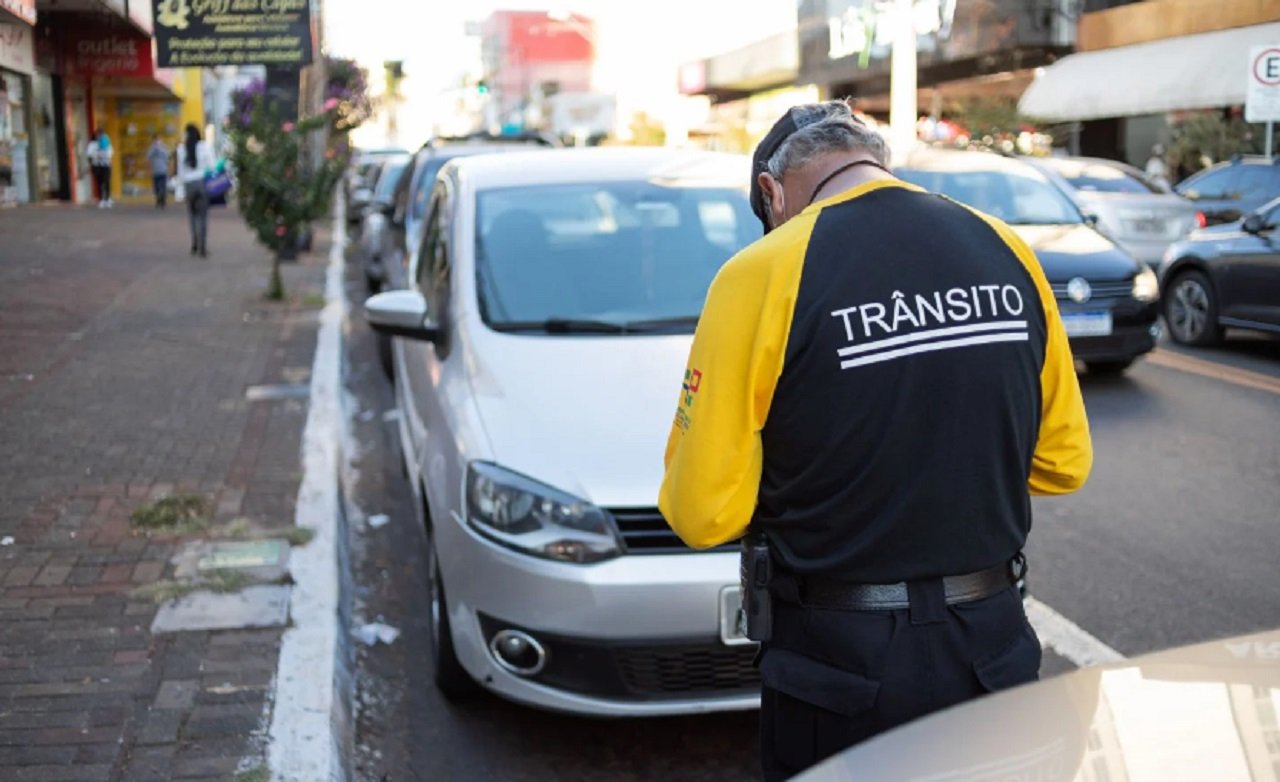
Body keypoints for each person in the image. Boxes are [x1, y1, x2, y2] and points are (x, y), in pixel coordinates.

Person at [658, 101, 1092, 781]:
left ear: (772, 193)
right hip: (993, 647)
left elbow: (701, 511)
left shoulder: (761, 272)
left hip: (841, 670)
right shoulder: (1004, 246)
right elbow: (1064, 463)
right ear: (875, 162)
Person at [176, 124, 215, 257]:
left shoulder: (181, 149)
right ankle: (203, 247)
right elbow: (212, 165)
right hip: (202, 183)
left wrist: (179, 189)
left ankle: (194, 243)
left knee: (192, 216)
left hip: (189, 184)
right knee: (203, 217)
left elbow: (180, 171)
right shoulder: (205, 146)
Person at [87, 129, 113, 208]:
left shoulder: (107, 142)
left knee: (107, 181)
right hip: (97, 165)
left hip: (106, 164)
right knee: (100, 182)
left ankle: (107, 198)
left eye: (101, 134)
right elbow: (89, 154)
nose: (100, 136)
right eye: (98, 134)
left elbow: (110, 153)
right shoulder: (92, 144)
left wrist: (103, 153)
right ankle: (101, 199)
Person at [146, 134, 170, 209]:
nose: (157, 141)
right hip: (155, 171)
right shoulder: (151, 148)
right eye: (156, 140)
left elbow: (167, 156)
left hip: (163, 170)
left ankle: (163, 201)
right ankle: (158, 200)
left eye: (158, 139)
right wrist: (154, 148)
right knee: (156, 188)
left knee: (163, 187)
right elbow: (148, 156)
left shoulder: (164, 147)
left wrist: (160, 149)